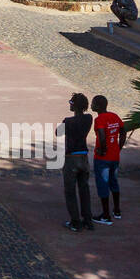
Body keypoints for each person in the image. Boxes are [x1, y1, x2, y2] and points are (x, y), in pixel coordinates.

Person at [57, 92, 95, 231]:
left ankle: (75, 221)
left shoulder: (68, 121)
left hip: (71, 158)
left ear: (73, 106)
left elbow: (58, 133)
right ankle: (88, 221)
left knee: (70, 191)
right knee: (84, 190)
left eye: (71, 102)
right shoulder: (89, 118)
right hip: (84, 157)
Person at [92, 94, 126, 224]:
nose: (91, 105)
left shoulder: (99, 119)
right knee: (114, 182)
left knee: (103, 184)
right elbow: (123, 131)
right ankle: (117, 210)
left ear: (98, 106)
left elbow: (101, 134)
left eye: (93, 103)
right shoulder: (114, 116)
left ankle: (105, 215)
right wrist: (119, 147)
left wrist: (103, 149)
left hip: (102, 158)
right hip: (115, 156)